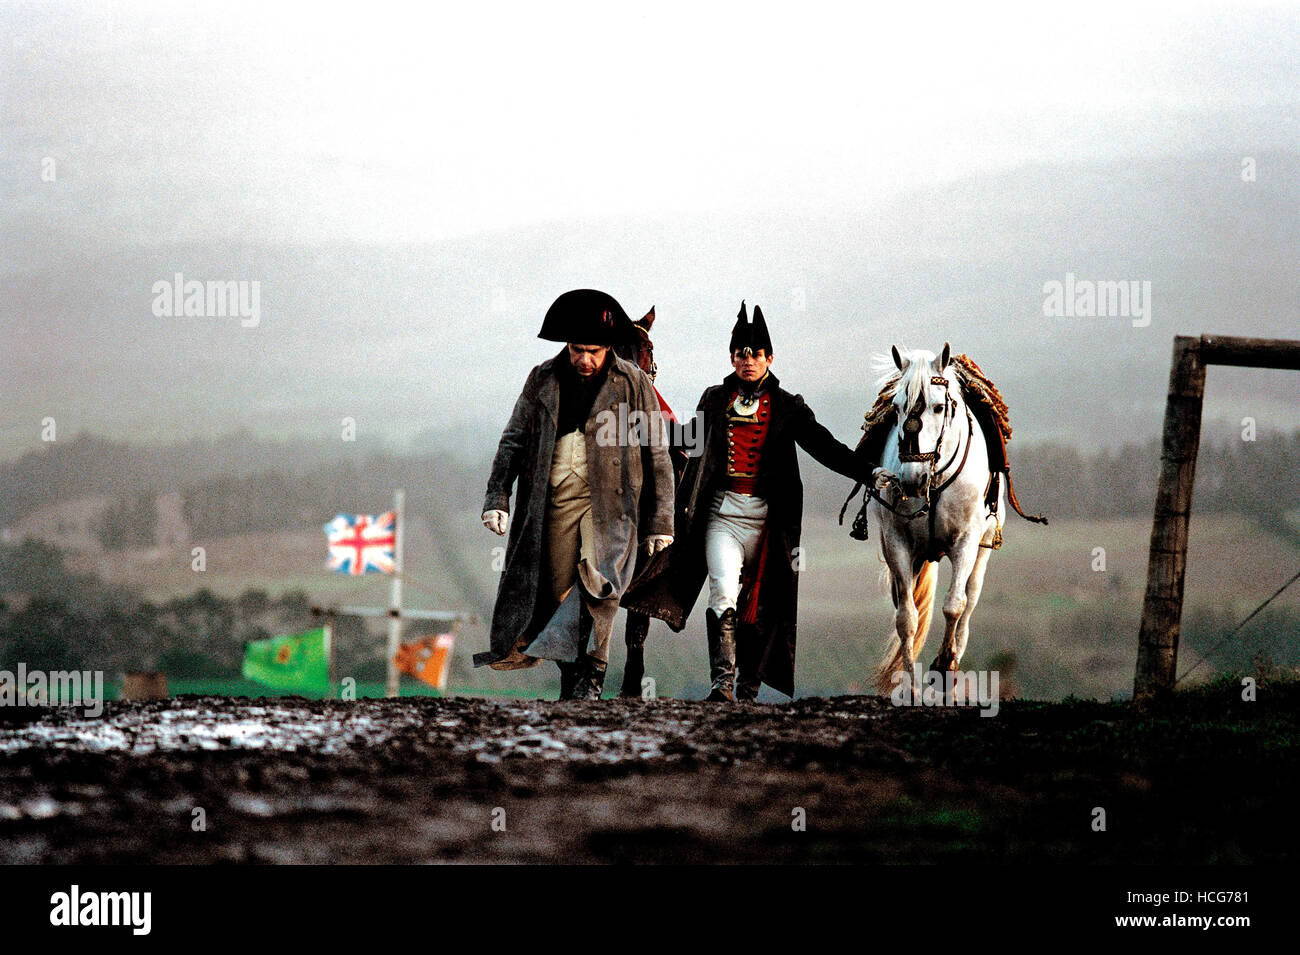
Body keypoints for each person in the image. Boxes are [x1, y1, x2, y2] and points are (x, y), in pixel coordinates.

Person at [623, 302, 876, 701]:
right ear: (732, 357)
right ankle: (721, 684)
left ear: (769, 358)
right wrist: (636, 421)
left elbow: (825, 446)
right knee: (722, 590)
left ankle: (748, 686)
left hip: (768, 522)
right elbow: (688, 439)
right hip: (722, 516)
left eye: (756, 354)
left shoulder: (789, 407)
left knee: (759, 604)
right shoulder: (714, 399)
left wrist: (869, 472)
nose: (748, 361)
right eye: (741, 354)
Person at [473, 289, 675, 700]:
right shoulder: (541, 379)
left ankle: (595, 673)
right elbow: (513, 440)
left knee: (600, 580)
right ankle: (572, 678)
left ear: (608, 348)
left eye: (594, 350)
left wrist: (661, 520)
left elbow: (657, 452)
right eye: (577, 349)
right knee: (558, 590)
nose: (585, 358)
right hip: (553, 493)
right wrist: (498, 497)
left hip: (612, 500)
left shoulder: (633, 382)